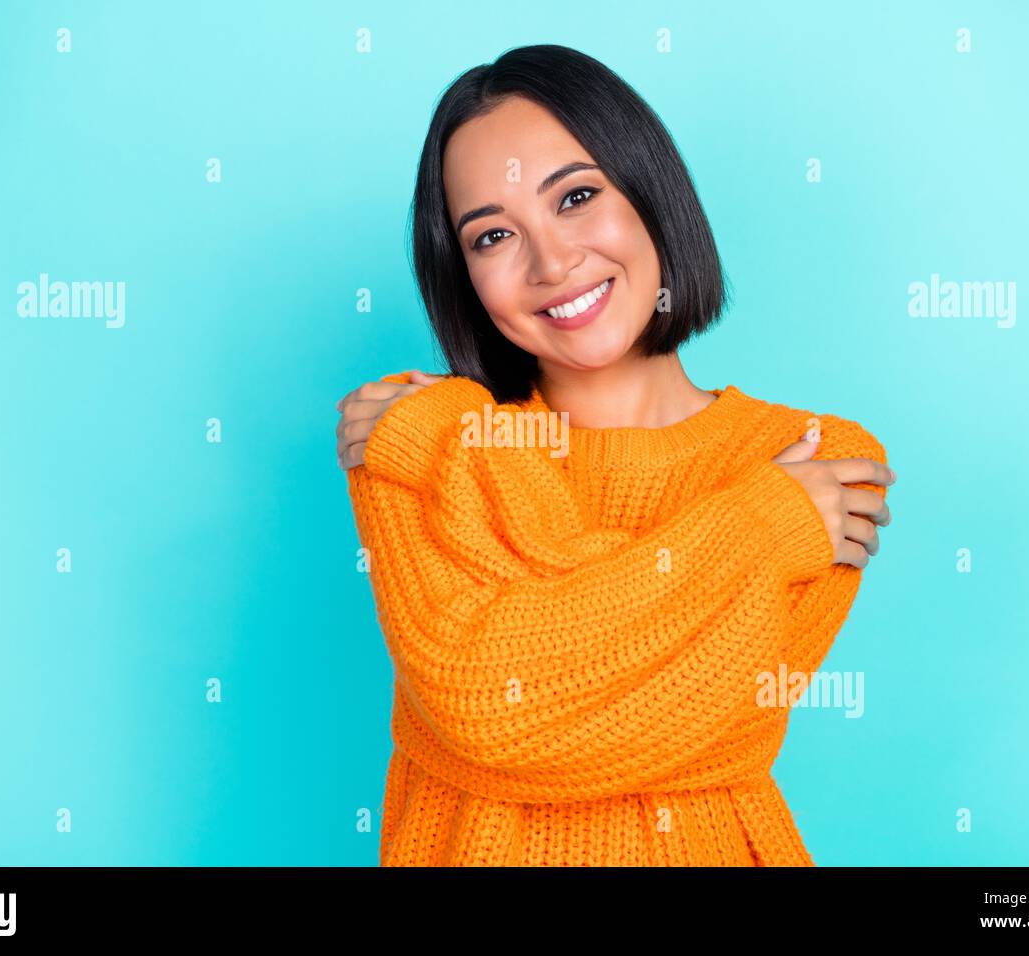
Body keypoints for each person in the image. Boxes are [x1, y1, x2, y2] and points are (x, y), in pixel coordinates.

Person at [335, 44, 896, 866]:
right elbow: (479, 708)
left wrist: (451, 456)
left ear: (652, 195)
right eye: (493, 235)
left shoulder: (810, 454)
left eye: (577, 196)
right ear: (464, 276)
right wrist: (757, 528)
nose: (553, 262)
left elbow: (700, 728)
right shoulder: (423, 439)